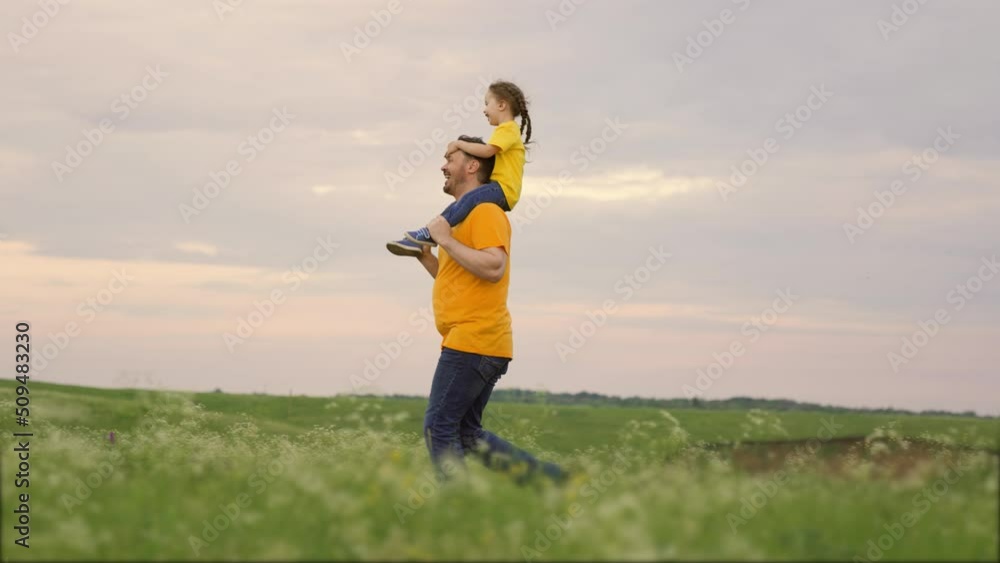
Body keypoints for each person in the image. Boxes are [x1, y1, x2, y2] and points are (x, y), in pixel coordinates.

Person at [409, 136, 565, 484]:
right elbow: (458, 279)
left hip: (474, 338)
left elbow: (494, 268)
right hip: (477, 340)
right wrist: (428, 256)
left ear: (472, 165)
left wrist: (445, 240)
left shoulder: (486, 211)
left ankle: (459, 510)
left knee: (440, 428)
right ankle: (553, 484)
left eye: (449, 157)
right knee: (468, 435)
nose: (442, 165)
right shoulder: (462, 219)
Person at [386, 80, 532, 257]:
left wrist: (459, 144)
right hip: (500, 188)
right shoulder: (507, 131)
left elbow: (487, 151)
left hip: (503, 189)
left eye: (487, 103)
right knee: (460, 204)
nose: (484, 110)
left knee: (468, 200)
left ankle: (430, 234)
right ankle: (425, 234)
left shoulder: (508, 129)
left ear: (501, 105)